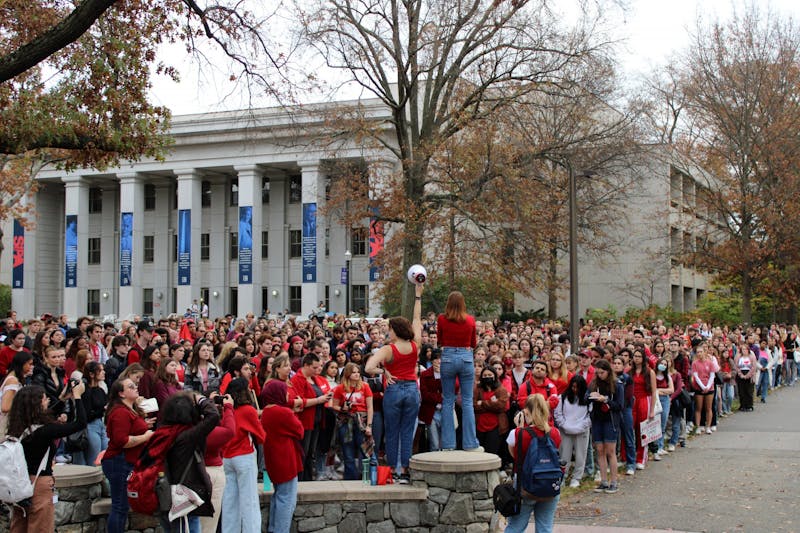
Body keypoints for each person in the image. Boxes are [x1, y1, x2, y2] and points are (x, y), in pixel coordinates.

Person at [7, 383, 87, 532]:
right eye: (44, 399)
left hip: (19, 483)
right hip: (39, 484)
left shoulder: (19, 427)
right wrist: (77, 396)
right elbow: (80, 423)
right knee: (40, 527)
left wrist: (62, 399)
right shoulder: (45, 431)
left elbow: (47, 416)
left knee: (19, 526)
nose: (48, 401)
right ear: (37, 404)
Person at [365, 283, 424, 483]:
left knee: (392, 432)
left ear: (395, 330)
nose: (387, 333)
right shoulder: (416, 345)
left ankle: (391, 471)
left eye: (389, 329)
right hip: (412, 390)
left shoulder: (389, 349)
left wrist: (385, 370)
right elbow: (417, 319)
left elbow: (368, 367)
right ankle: (405, 471)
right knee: (407, 431)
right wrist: (418, 296)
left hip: (394, 389)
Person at [157, 392, 220, 532]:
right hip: (182, 499)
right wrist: (202, 400)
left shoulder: (162, 432)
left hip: (164, 495)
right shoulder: (187, 436)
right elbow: (214, 416)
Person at [102, 378, 155, 533]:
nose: (136, 388)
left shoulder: (130, 409)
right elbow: (122, 441)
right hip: (118, 461)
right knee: (119, 505)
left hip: (127, 460)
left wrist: (145, 426)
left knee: (123, 506)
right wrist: (146, 436)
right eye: (131, 387)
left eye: (135, 385)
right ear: (121, 393)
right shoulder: (120, 412)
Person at [504, 394, 562, 533]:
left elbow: (515, 456)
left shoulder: (517, 433)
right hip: (550, 485)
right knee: (545, 528)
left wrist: (519, 427)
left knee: (515, 527)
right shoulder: (555, 433)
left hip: (525, 487)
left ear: (526, 412)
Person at [435, 288, 481, 452]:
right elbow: (474, 343)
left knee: (448, 401)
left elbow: (439, 340)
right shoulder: (470, 320)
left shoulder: (442, 318)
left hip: (447, 356)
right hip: (465, 356)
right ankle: (470, 443)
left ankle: (448, 444)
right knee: (467, 401)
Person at [222, 377, 265, 533]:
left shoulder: (226, 409)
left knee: (229, 501)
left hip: (227, 457)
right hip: (244, 456)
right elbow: (261, 437)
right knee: (250, 501)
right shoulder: (248, 410)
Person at [261, 380, 304, 533]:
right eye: (285, 391)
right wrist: (293, 412)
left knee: (278, 495)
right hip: (286, 459)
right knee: (287, 499)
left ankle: (273, 528)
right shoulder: (283, 412)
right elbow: (300, 431)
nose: (287, 394)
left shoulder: (266, 411)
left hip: (273, 458)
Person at [331, 362, 374, 479]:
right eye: (354, 372)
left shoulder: (365, 386)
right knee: (348, 453)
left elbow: (370, 407)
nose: (357, 375)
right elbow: (334, 405)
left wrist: (369, 425)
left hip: (362, 421)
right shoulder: (340, 388)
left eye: (358, 372)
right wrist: (342, 408)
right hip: (346, 422)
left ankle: (368, 478)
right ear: (348, 373)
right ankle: (351, 479)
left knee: (366, 451)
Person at [586, 359, 624, 493]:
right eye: (597, 373)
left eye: (602, 373)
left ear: (608, 371)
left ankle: (613, 481)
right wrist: (591, 396)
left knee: (610, 451)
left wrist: (606, 399)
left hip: (610, 420)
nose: (600, 375)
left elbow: (620, 405)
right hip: (597, 419)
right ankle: (603, 481)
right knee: (600, 450)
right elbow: (585, 398)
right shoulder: (593, 383)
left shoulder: (617, 385)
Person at [201, 392, 235, 533]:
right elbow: (228, 431)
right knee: (208, 523)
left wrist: (209, 405)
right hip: (211, 471)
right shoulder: (205, 432)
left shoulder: (186, 429)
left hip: (198, 471)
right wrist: (228, 408)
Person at [553, 375, 591, 488]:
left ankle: (576, 478)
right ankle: (562, 477)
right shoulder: (563, 398)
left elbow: (589, 416)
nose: (575, 390)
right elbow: (558, 414)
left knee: (581, 454)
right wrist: (565, 426)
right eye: (573, 387)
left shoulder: (588, 399)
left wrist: (580, 427)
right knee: (564, 455)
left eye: (578, 388)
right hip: (565, 430)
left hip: (582, 431)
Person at [474, 366, 509, 456]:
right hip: (479, 425)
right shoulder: (477, 389)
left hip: (496, 426)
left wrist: (482, 403)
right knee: (480, 452)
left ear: (494, 376)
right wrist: (491, 404)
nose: (487, 377)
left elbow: (500, 406)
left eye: (489, 375)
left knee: (492, 452)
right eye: (485, 375)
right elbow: (473, 405)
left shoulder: (501, 389)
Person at [630, 348, 656, 470]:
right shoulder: (629, 371)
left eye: (639, 356)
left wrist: (652, 410)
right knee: (631, 429)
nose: (636, 358)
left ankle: (641, 458)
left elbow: (654, 392)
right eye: (635, 356)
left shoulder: (650, 372)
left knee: (643, 430)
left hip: (644, 400)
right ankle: (629, 457)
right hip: (632, 402)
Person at [0, 351, 33, 439]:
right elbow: (5, 407)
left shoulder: (16, 378)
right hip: (6, 423)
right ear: (22, 363)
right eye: (29, 364)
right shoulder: (12, 380)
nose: (31, 367)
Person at [83, 361, 109, 466]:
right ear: (91, 374)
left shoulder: (101, 390)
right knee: (94, 458)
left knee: (106, 455)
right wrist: (103, 409)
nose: (103, 372)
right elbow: (87, 414)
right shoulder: (85, 391)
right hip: (91, 426)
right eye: (100, 370)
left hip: (102, 424)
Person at [419, 350, 443, 452]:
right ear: (432, 361)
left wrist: (442, 375)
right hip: (431, 412)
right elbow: (425, 395)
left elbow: (451, 390)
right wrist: (440, 398)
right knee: (435, 443)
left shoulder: (447, 374)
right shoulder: (425, 374)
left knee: (445, 443)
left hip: (444, 411)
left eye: (440, 359)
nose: (439, 361)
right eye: (436, 359)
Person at [691, 342, 717, 434]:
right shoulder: (694, 363)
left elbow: (712, 375)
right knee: (699, 408)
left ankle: (708, 426)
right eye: (698, 352)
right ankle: (698, 426)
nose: (699, 354)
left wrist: (707, 386)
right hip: (699, 388)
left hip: (709, 388)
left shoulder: (710, 363)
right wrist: (702, 386)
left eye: (701, 352)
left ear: (704, 352)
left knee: (708, 408)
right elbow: (695, 376)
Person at [653, 357, 674, 458]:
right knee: (655, 423)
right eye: (661, 363)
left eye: (665, 364)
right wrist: (657, 391)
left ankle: (660, 446)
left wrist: (659, 390)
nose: (663, 366)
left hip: (664, 400)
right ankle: (655, 447)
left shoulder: (667, 377)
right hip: (655, 400)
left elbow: (671, 390)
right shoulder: (653, 375)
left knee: (663, 423)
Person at [735, 341, 756, 412]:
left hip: (749, 374)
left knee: (749, 391)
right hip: (741, 374)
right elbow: (737, 366)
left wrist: (748, 375)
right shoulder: (739, 356)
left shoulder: (751, 356)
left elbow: (753, 367)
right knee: (741, 391)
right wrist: (741, 374)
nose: (744, 351)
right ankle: (742, 405)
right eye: (743, 349)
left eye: (745, 349)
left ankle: (749, 405)